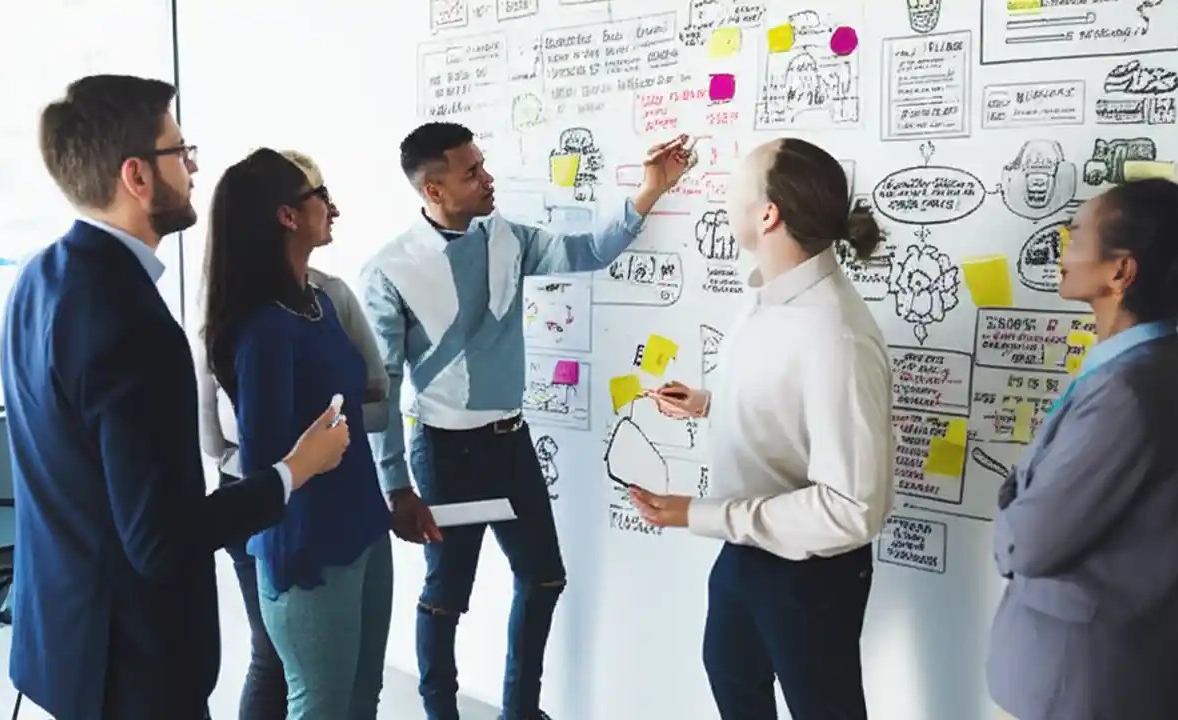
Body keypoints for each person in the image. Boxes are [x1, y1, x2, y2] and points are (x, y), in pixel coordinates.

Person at [0, 74, 350, 720]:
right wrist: (294, 470)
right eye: (180, 152)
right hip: (135, 668)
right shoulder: (132, 324)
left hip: (62, 645)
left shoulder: (37, 278)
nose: (192, 168)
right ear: (137, 176)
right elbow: (160, 541)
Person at [361, 121, 690, 720]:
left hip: (511, 448)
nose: (488, 180)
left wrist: (651, 190)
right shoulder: (390, 269)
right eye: (472, 173)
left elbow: (589, 252)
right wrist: (394, 487)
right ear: (433, 190)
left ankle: (520, 712)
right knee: (445, 597)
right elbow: (377, 390)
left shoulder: (506, 238)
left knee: (543, 578)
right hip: (444, 456)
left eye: (483, 165)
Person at [629, 138, 893, 720]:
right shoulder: (768, 296)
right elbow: (792, 408)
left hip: (810, 573)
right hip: (746, 548)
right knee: (732, 678)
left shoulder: (836, 337)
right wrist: (708, 405)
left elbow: (852, 509)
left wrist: (697, 513)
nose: (725, 194)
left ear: (768, 212)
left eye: (737, 183)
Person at [986, 178, 1178, 720]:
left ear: (1121, 271)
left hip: (1087, 687)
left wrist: (1012, 504)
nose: (1061, 253)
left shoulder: (1128, 391)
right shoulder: (1153, 366)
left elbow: (1027, 545)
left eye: (1075, 237)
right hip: (1103, 677)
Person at [201, 147, 402, 720]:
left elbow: (366, 390)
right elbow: (266, 467)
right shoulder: (263, 327)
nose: (333, 209)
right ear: (287, 216)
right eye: (321, 198)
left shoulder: (319, 302)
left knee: (363, 698)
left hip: (363, 526)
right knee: (322, 706)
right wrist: (315, 447)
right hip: (310, 546)